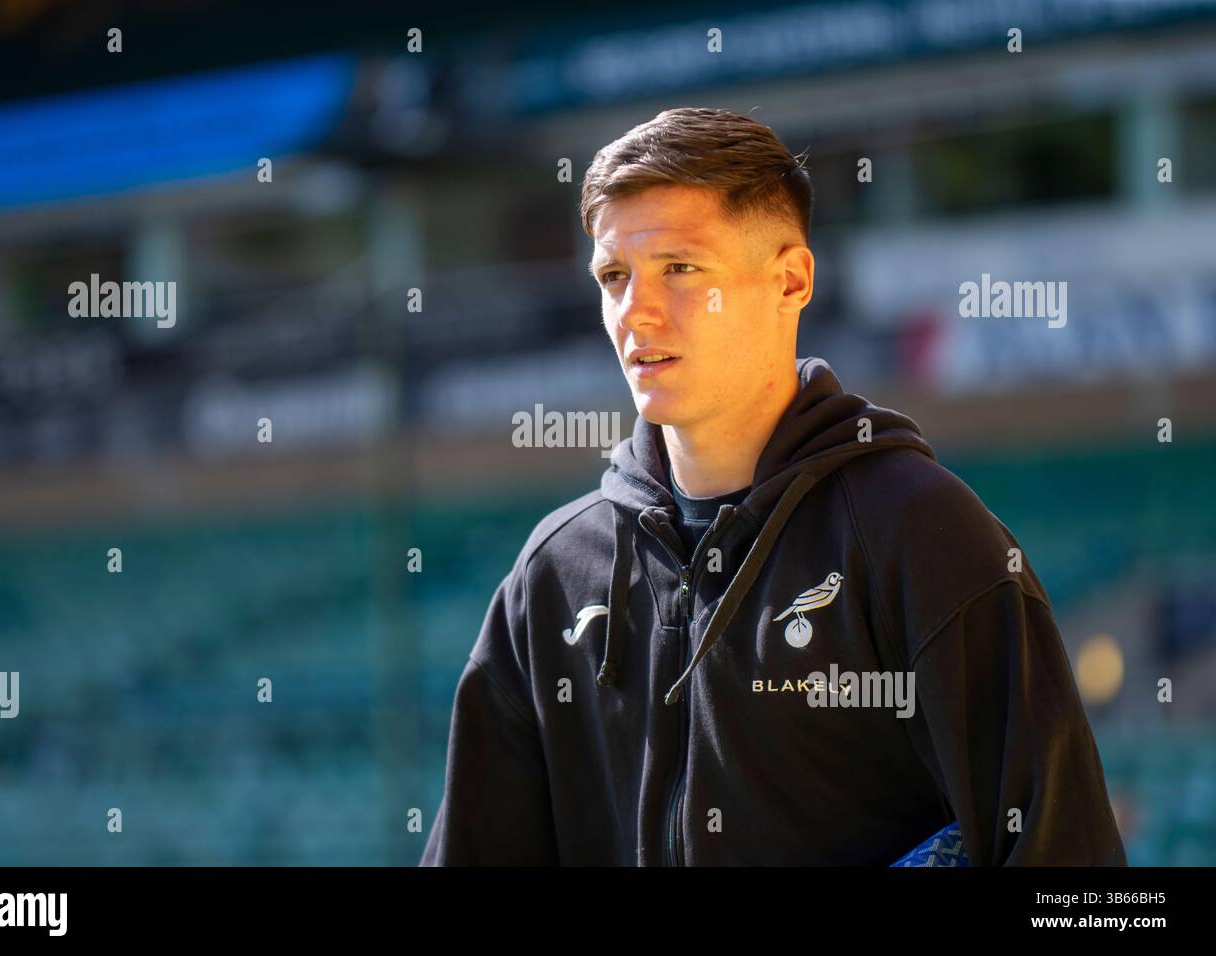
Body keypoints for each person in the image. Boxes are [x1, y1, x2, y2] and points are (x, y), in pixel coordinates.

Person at [420, 107, 1127, 866]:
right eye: (614, 276)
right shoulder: (553, 574)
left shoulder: (916, 529)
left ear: (790, 280)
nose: (636, 311)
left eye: (681, 269)